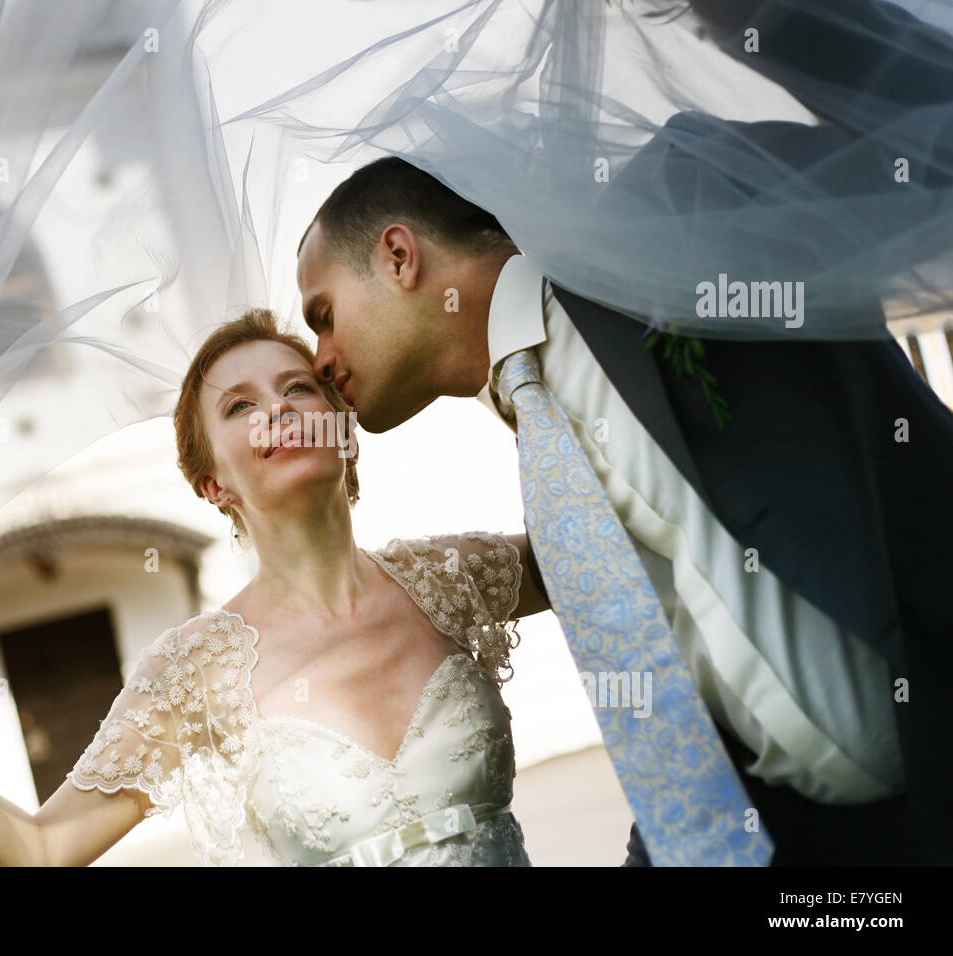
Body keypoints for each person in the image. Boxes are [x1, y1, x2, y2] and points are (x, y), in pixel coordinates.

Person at [293, 0, 953, 866]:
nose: (320, 357)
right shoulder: (534, 440)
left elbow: (928, 148)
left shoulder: (665, 207)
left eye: (323, 316)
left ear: (399, 256)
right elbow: (682, 693)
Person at [0, 306, 551, 866]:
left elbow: (614, 530)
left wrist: (514, 369)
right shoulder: (194, 673)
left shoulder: (453, 580)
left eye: (299, 388)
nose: (279, 409)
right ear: (212, 483)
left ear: (344, 434)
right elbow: (38, 850)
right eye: (240, 406)